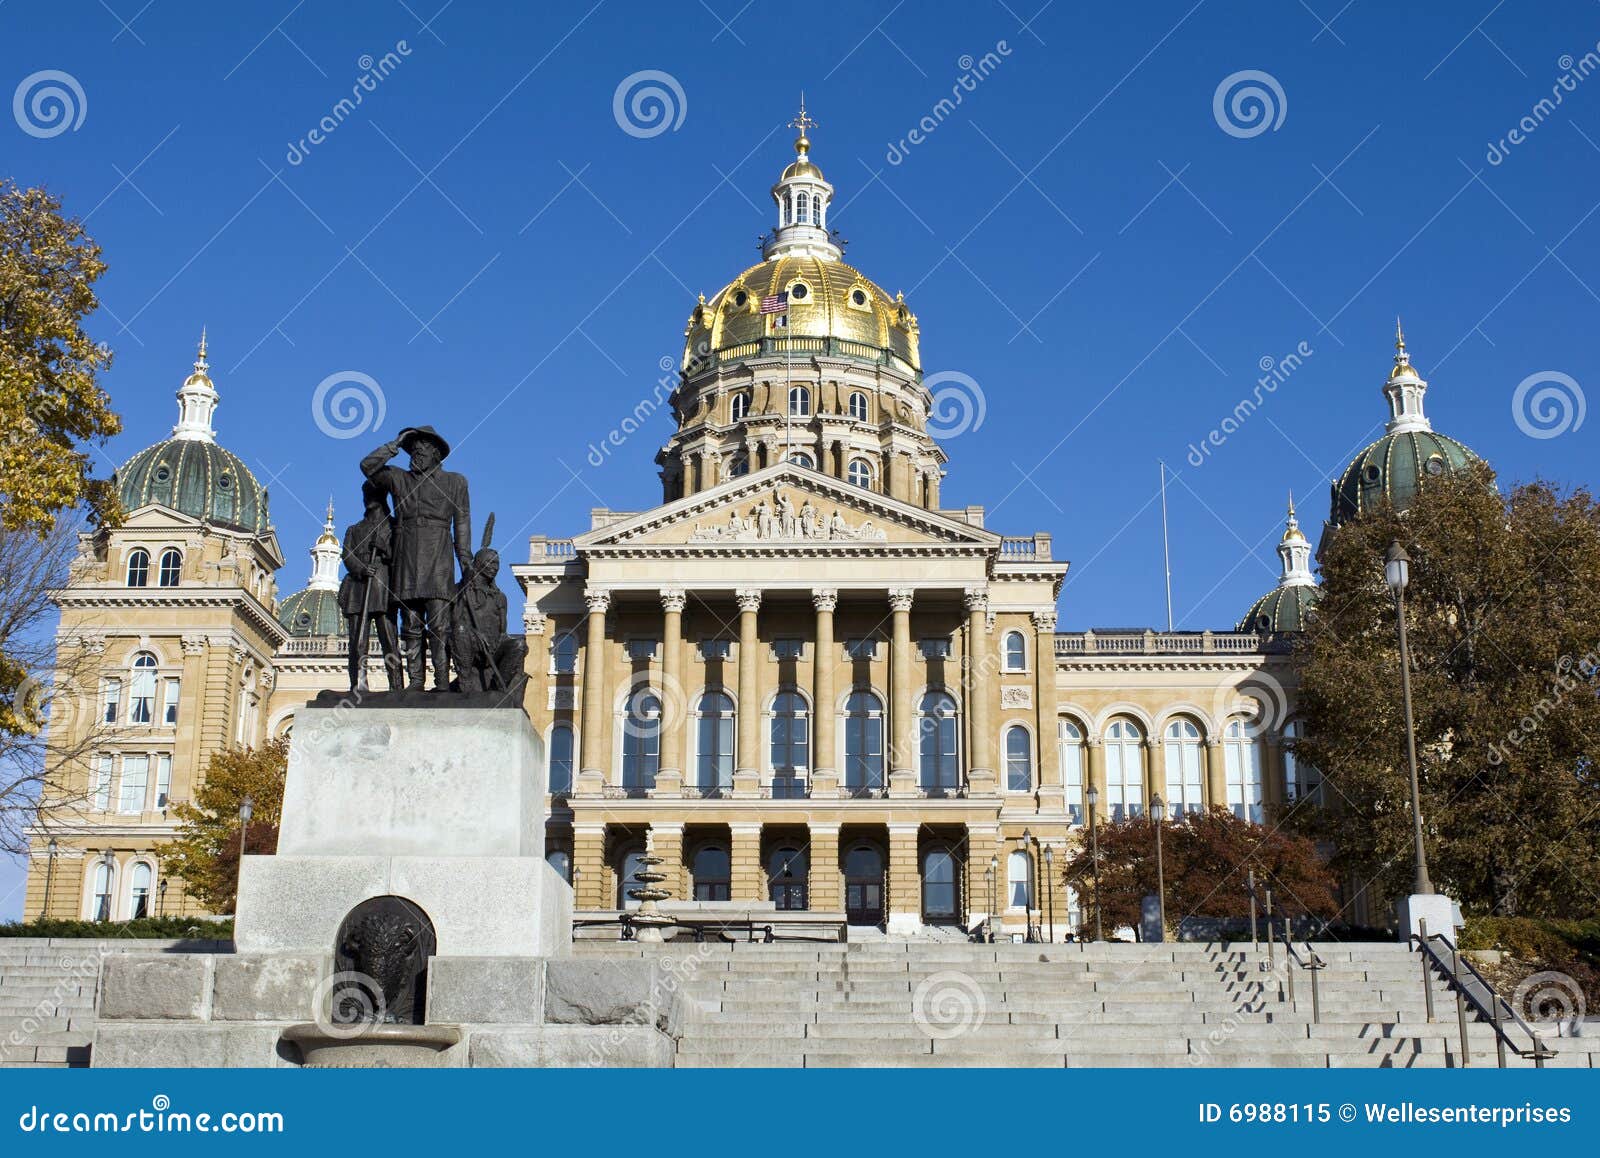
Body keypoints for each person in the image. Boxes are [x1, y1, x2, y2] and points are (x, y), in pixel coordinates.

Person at [360, 426, 472, 691]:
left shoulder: (455, 482)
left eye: (421, 452)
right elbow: (367, 467)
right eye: (412, 451)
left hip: (438, 553)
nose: (415, 456)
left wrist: (464, 560)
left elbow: (463, 523)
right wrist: (393, 446)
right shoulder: (399, 478)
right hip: (406, 554)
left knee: (439, 624)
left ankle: (442, 681)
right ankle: (416, 681)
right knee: (410, 623)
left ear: (436, 454)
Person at [450, 514, 528, 700]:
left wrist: (499, 640)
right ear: (479, 564)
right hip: (471, 641)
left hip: (493, 645)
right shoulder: (463, 591)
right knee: (460, 629)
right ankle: (466, 683)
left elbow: (503, 630)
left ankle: (497, 688)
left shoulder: (500, 597)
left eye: (497, 564)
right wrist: (476, 634)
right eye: (490, 563)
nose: (495, 567)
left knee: (518, 644)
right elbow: (455, 620)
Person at [339, 481, 403, 692]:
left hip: (383, 585)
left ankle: (396, 685)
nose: (368, 499)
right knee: (358, 641)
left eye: (372, 495)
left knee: (389, 639)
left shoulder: (394, 527)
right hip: (359, 587)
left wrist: (385, 549)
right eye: (366, 495)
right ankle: (358, 683)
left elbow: (402, 558)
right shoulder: (354, 529)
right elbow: (347, 554)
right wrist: (361, 568)